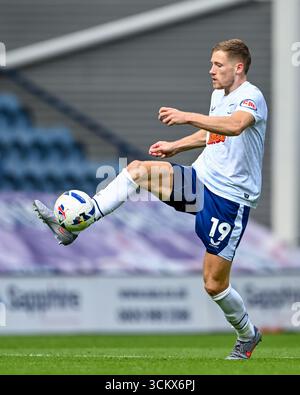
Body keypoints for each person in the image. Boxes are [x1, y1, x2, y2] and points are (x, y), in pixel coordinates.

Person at [34, 39, 267, 360]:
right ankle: (78, 223)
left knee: (214, 284)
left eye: (218, 65)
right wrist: (176, 146)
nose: (211, 70)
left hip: (230, 198)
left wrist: (186, 115)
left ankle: (247, 334)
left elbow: (234, 126)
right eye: (212, 64)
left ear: (238, 67)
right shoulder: (219, 95)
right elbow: (210, 133)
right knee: (138, 171)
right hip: (199, 181)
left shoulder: (252, 97)